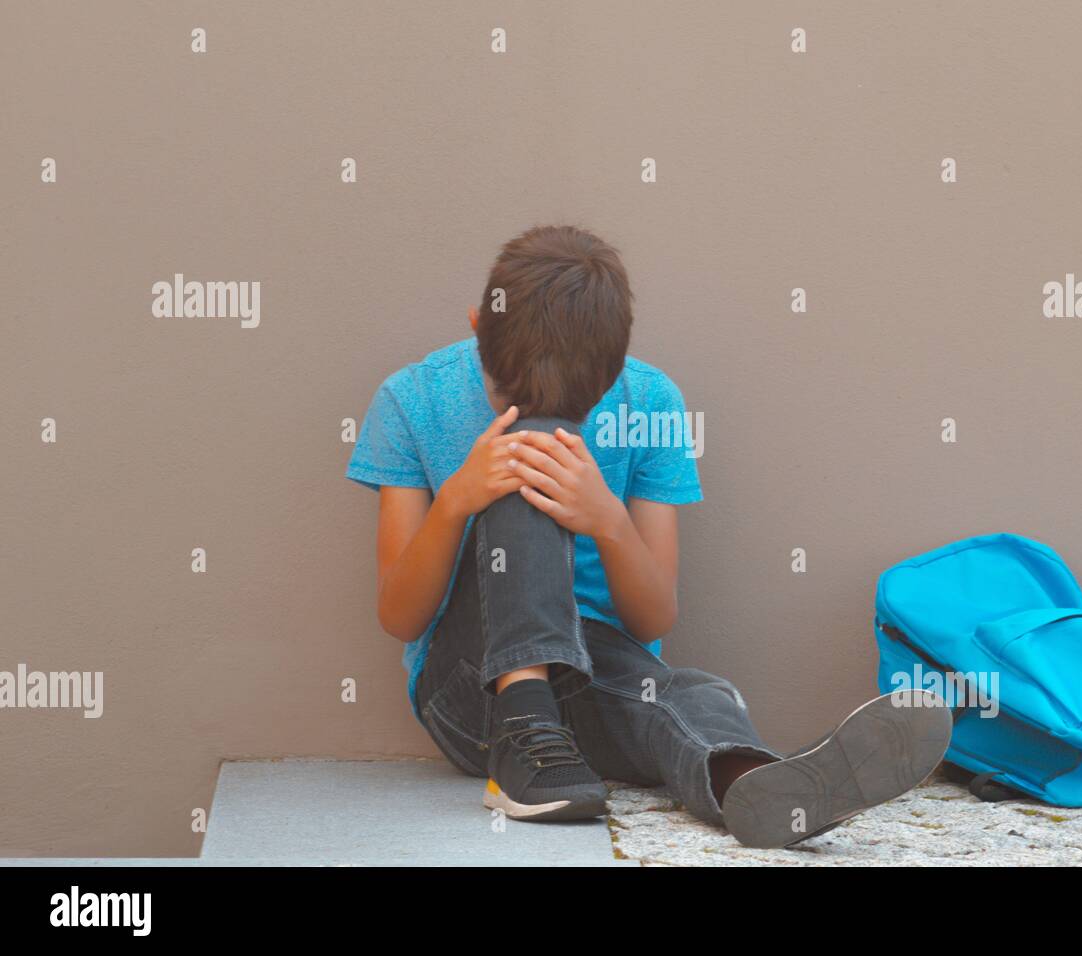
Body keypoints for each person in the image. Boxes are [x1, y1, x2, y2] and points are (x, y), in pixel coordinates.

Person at [346, 224, 951, 848]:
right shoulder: (413, 398)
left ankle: (759, 785)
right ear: (477, 326)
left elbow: (652, 616)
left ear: (611, 375)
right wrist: (456, 503)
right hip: (470, 696)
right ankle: (522, 729)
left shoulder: (651, 401)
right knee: (527, 455)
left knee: (682, 697)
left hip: (594, 675)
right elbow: (401, 616)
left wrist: (605, 518)